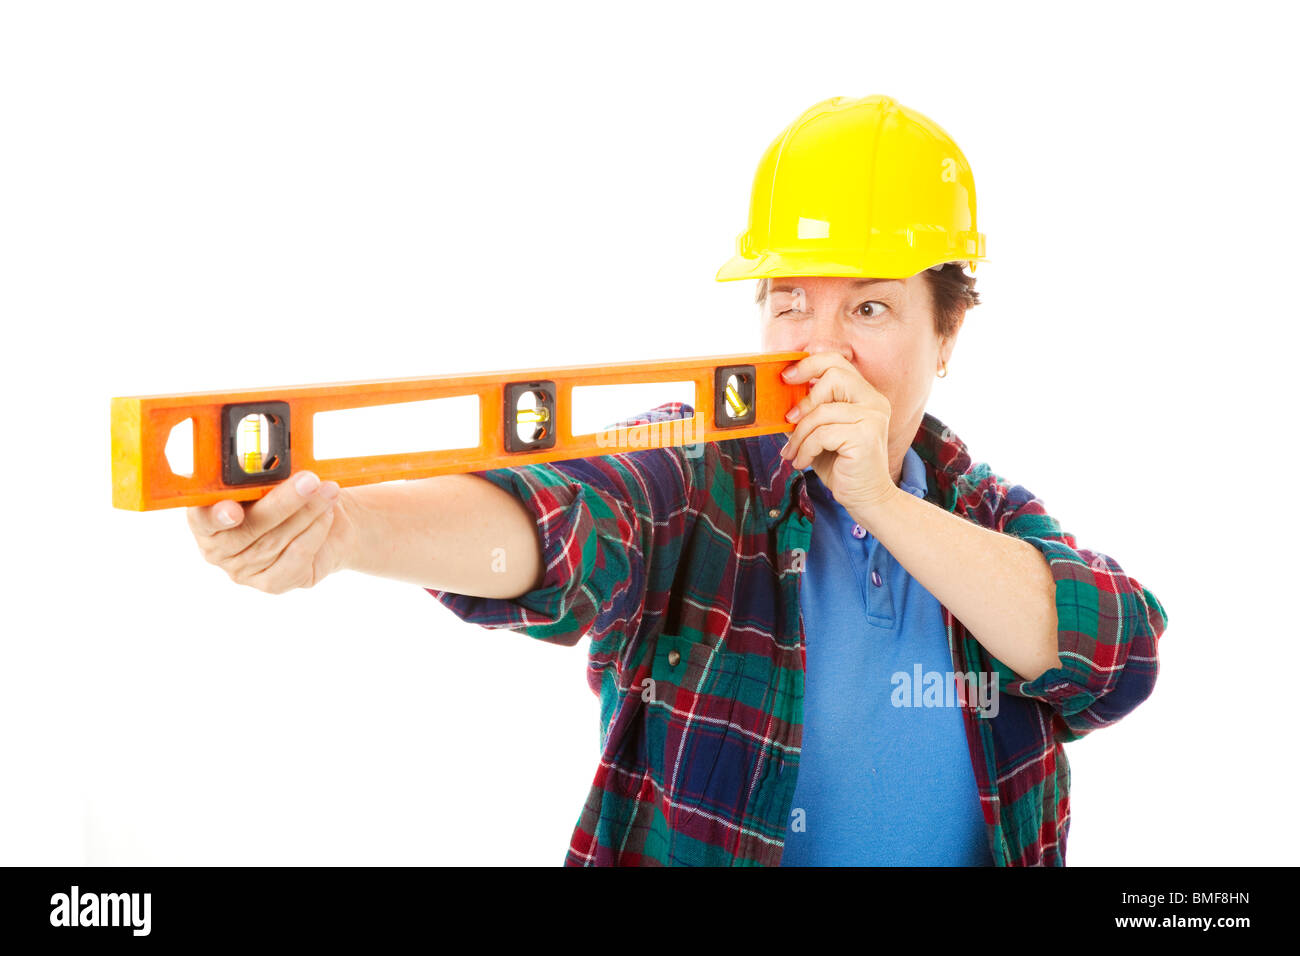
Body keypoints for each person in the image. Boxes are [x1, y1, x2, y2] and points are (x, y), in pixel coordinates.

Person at [187, 95, 1168, 866]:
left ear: (946, 332)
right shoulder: (699, 475)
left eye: (868, 308)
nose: (819, 351)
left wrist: (882, 501)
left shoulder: (982, 513)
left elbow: (1115, 655)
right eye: (791, 303)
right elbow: (569, 519)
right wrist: (348, 529)